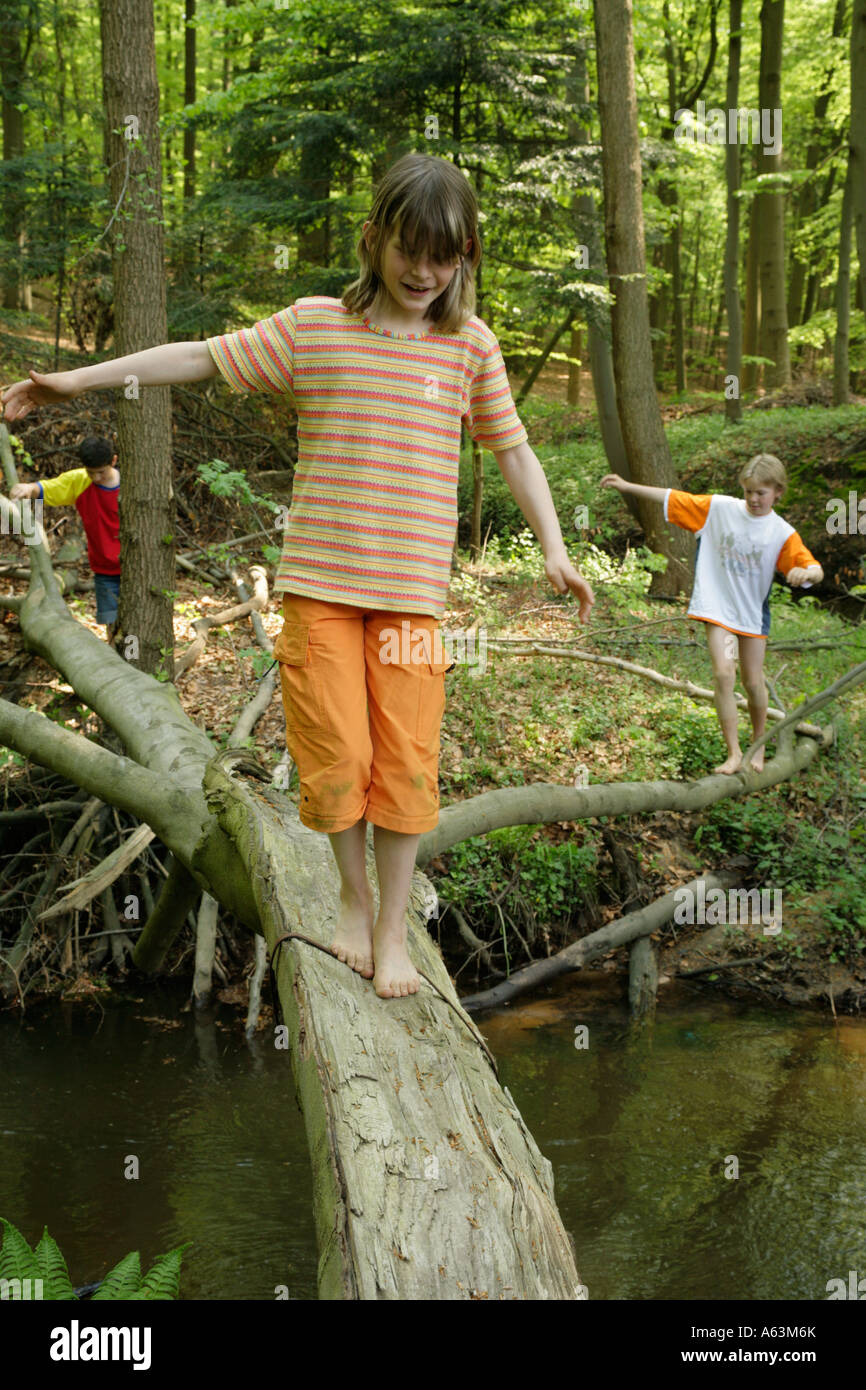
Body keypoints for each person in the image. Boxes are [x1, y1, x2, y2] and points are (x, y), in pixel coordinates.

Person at [1, 152, 595, 998]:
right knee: (336, 758)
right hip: (320, 589)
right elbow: (200, 357)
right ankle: (353, 904)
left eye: (445, 255)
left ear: (465, 257)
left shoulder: (469, 346)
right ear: (373, 239)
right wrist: (79, 381)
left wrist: (556, 547)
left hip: (414, 602)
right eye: (408, 249)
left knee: (407, 768)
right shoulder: (318, 327)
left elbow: (515, 448)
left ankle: (392, 932)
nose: (424, 271)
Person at [601, 454, 822, 774]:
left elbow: (815, 569)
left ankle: (757, 747)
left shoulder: (781, 532)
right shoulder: (719, 509)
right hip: (716, 607)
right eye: (748, 491)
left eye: (761, 493)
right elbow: (671, 497)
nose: (753, 499)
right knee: (723, 674)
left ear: (778, 492)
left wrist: (808, 574)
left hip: (750, 614)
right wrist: (626, 486)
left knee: (753, 682)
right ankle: (733, 754)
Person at [8, 436, 121, 643]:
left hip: (134, 567)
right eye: (90, 472)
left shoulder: (131, 485)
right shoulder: (80, 481)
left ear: (113, 461)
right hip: (105, 569)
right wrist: (30, 488)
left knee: (138, 621)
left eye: (101, 472)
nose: (95, 478)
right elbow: (52, 488)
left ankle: (137, 661)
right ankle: (121, 658)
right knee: (112, 621)